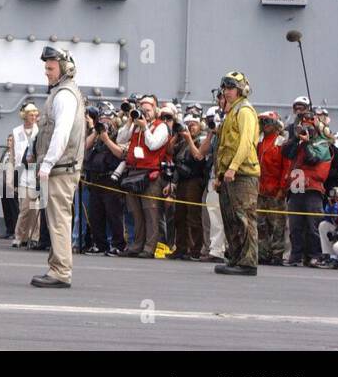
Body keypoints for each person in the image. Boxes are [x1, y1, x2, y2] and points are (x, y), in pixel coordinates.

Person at [30, 46, 85, 288]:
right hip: (60, 168)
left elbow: (61, 132)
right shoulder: (63, 93)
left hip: (61, 169)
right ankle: (56, 266)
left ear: (64, 68)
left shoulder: (64, 95)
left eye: (51, 68)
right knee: (55, 219)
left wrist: (48, 162)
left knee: (59, 219)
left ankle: (61, 271)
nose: (47, 72)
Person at [213, 71, 260, 276]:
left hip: (243, 173)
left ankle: (248, 262)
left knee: (244, 218)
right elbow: (223, 147)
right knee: (230, 218)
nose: (227, 92)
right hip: (230, 175)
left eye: (231, 88)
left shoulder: (245, 111)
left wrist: (232, 167)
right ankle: (235, 258)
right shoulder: (230, 112)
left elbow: (246, 142)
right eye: (225, 88)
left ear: (241, 90)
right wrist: (220, 174)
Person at [110, 95, 168, 258]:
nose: (145, 113)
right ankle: (136, 245)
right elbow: (121, 139)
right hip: (133, 172)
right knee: (135, 212)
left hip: (151, 175)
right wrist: (130, 121)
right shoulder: (136, 125)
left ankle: (149, 248)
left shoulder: (161, 126)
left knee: (150, 213)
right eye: (143, 110)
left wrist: (145, 128)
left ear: (155, 110)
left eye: (148, 110)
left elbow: (154, 144)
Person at [282, 108, 333, 267]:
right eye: (304, 127)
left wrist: (307, 142)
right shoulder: (299, 142)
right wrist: (295, 139)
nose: (306, 130)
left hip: (313, 189)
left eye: (309, 127)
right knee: (295, 225)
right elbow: (285, 152)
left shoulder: (322, 144)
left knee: (313, 225)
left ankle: (315, 256)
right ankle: (296, 256)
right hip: (296, 188)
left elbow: (313, 159)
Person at [83, 103, 126, 255]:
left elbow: (121, 154)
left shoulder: (119, 134)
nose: (105, 123)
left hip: (111, 179)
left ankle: (118, 245)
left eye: (108, 119)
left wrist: (107, 139)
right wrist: (96, 132)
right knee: (95, 214)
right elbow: (84, 147)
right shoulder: (96, 135)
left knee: (114, 214)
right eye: (103, 120)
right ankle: (100, 245)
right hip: (95, 179)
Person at [167, 112, 210, 259]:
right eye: (188, 124)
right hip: (182, 181)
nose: (191, 127)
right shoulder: (182, 141)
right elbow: (170, 152)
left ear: (200, 126)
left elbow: (198, 158)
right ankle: (181, 248)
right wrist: (177, 134)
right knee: (179, 216)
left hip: (195, 180)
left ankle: (195, 249)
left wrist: (188, 139)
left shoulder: (201, 140)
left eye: (194, 124)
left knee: (193, 216)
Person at [255, 110, 288, 265]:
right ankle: (263, 252)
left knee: (277, 224)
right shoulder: (259, 142)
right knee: (260, 223)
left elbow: (286, 168)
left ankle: (277, 254)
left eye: (268, 122)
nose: (265, 125)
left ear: (275, 125)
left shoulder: (281, 142)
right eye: (263, 122)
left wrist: (282, 189)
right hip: (260, 190)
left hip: (275, 190)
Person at [12, 103, 41, 247]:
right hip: (22, 172)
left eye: (36, 115)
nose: (34, 118)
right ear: (24, 116)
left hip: (36, 172)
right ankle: (20, 235)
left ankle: (34, 237)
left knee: (35, 209)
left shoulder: (40, 131)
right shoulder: (16, 131)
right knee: (24, 208)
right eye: (31, 115)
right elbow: (13, 156)